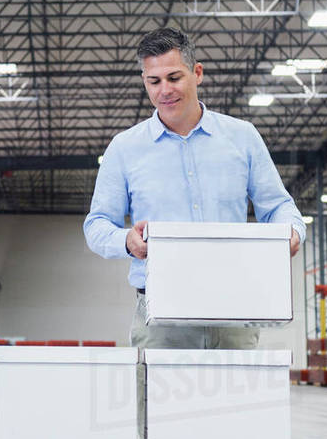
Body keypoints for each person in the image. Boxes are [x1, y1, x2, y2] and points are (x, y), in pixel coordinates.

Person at [83, 27, 306, 349]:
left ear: (197, 73)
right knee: (160, 399)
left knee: (238, 399)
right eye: (154, 81)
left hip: (235, 307)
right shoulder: (125, 148)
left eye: (174, 77)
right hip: (161, 314)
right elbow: (97, 225)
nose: (165, 91)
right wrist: (127, 241)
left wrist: (292, 230)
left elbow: (278, 206)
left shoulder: (242, 138)